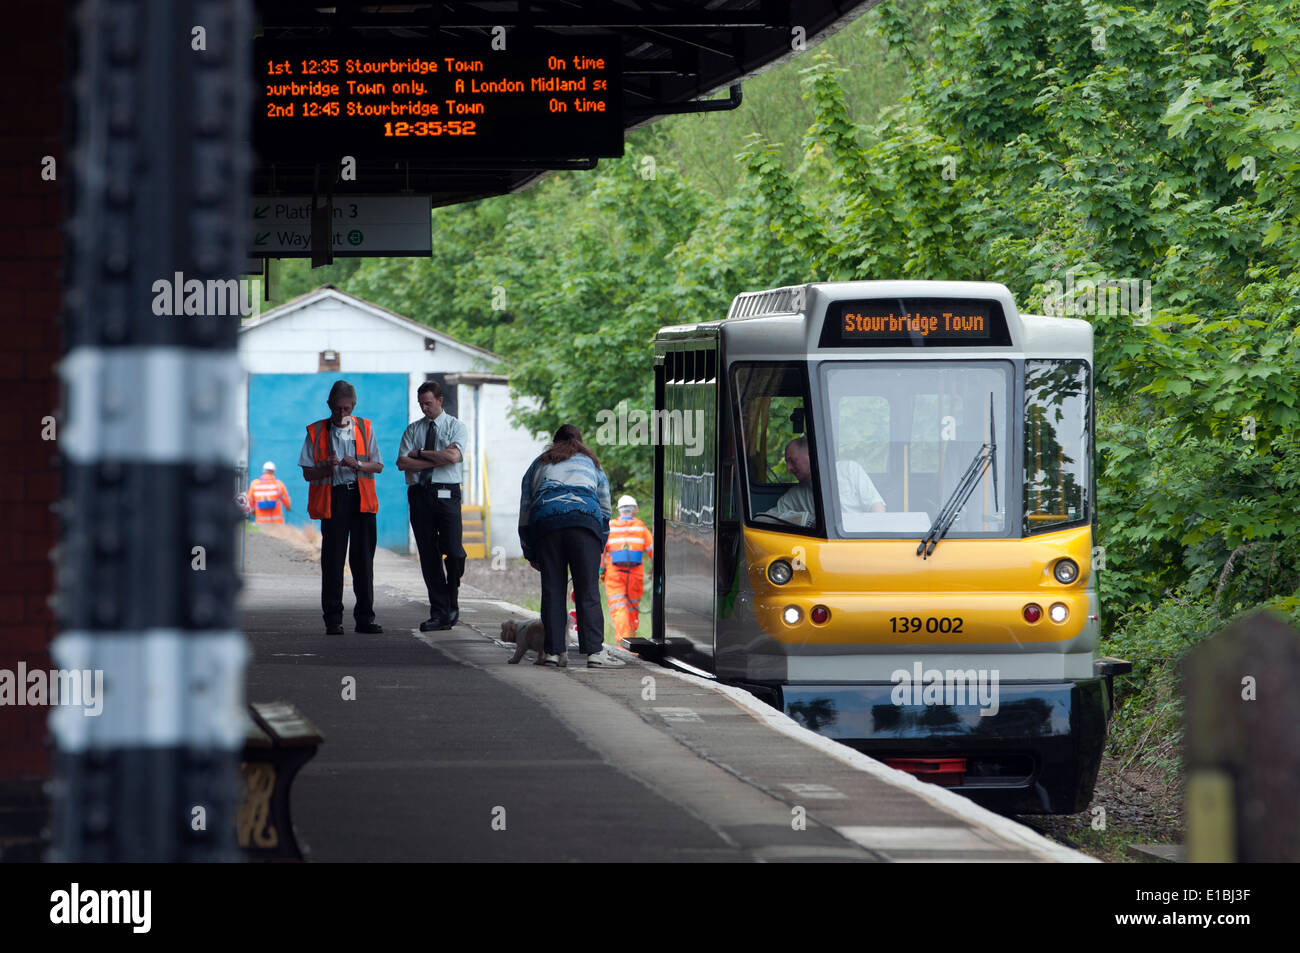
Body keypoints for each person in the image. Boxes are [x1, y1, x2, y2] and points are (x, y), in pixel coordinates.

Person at [519, 424, 623, 668]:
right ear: (580, 440)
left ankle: (553, 652)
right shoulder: (592, 463)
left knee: (553, 589)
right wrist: (599, 544)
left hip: (547, 524)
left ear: (554, 442)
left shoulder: (539, 463)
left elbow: (525, 507)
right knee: (587, 590)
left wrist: (529, 549)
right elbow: (605, 509)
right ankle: (595, 653)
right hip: (584, 524)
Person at [299, 380, 384, 635]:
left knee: (363, 562)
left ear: (354, 406)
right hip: (333, 499)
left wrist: (358, 464)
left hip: (362, 499)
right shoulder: (316, 431)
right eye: (337, 409)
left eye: (347, 409)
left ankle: (365, 618)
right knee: (333, 561)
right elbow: (307, 474)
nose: (342, 414)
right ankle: (333, 619)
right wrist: (327, 466)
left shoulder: (365, 429)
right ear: (329, 406)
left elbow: (378, 466)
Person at [396, 381, 468, 632]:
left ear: (440, 400)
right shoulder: (413, 429)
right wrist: (435, 459)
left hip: (447, 494)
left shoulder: (456, 427)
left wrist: (421, 454)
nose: (424, 408)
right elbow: (403, 463)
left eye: (428, 403)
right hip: (419, 495)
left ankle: (452, 597)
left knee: (454, 551)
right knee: (429, 554)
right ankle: (440, 612)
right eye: (421, 404)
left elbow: (452, 457)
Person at [762, 436, 884, 526]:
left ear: (811, 454)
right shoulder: (795, 495)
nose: (789, 468)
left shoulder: (849, 469)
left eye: (792, 460)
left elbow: (877, 508)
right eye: (787, 463)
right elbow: (763, 518)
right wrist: (804, 519)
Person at [601, 494, 653, 643]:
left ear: (619, 510)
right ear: (635, 510)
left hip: (614, 576)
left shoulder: (610, 527)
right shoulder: (641, 528)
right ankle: (630, 643)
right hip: (635, 576)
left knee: (620, 609)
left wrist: (600, 570)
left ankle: (624, 644)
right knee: (631, 610)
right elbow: (653, 551)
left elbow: (601, 551)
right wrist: (655, 572)